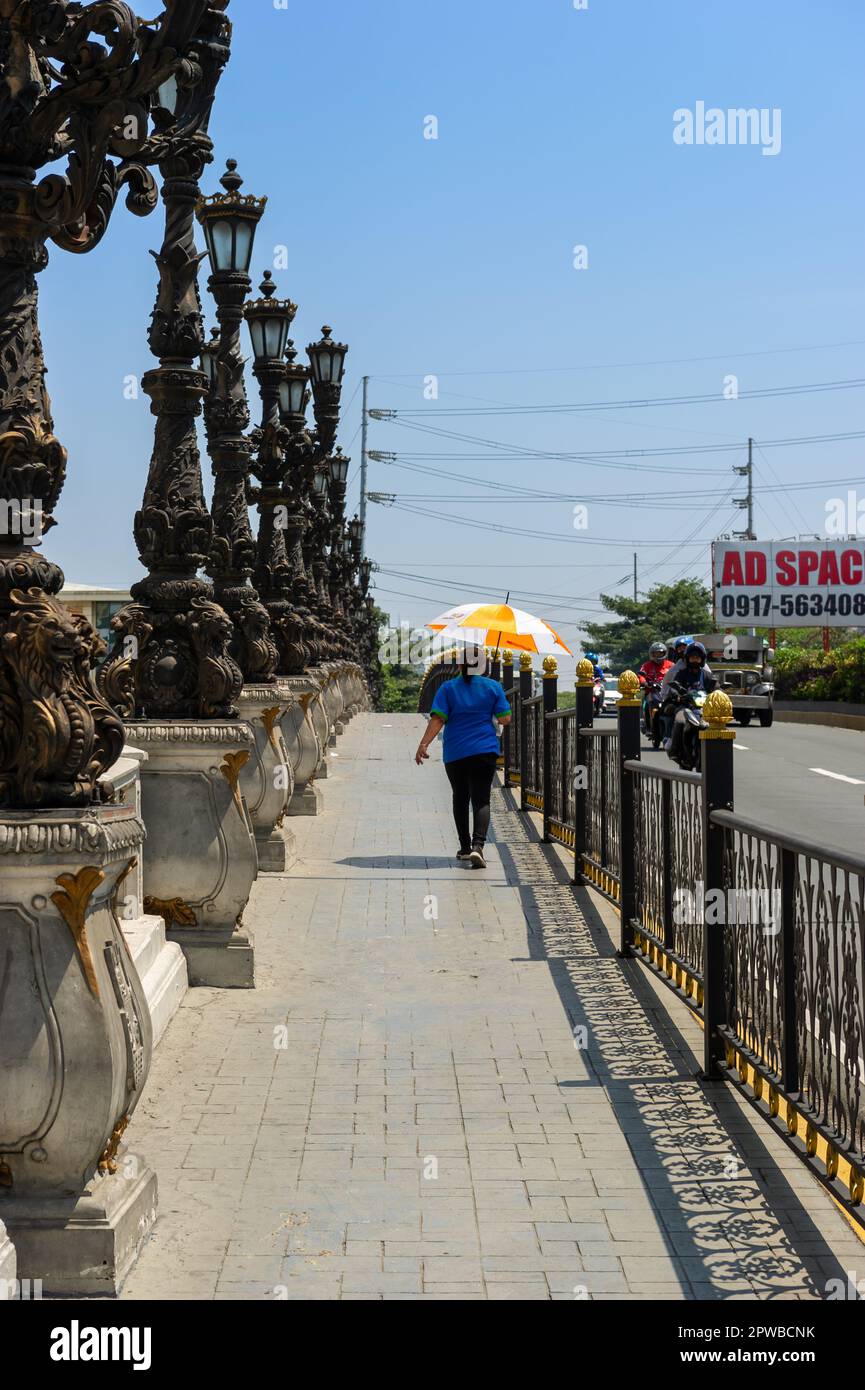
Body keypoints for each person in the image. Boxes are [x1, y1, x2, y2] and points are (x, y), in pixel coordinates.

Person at [414, 646, 511, 869]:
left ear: (459, 665)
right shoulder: (493, 687)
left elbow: (437, 719)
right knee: (481, 800)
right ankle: (478, 846)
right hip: (485, 751)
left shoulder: (448, 688)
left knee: (460, 797)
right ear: (484, 666)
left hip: (456, 752)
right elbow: (505, 719)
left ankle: (465, 847)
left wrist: (423, 744)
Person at [661, 641, 718, 758]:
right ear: (687, 659)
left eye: (697, 658)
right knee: (680, 721)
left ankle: (718, 752)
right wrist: (677, 694)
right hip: (685, 707)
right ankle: (674, 749)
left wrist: (719, 693)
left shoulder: (707, 675)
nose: (695, 660)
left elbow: (716, 687)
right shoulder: (681, 673)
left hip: (704, 709)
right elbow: (674, 687)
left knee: (718, 724)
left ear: (702, 659)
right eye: (692, 657)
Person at [638, 641, 673, 736]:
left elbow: (677, 675)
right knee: (648, 703)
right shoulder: (646, 665)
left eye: (660, 653)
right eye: (656, 653)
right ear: (652, 654)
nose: (658, 655)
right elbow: (641, 675)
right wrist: (644, 682)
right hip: (652, 691)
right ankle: (648, 726)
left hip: (667, 692)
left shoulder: (671, 665)